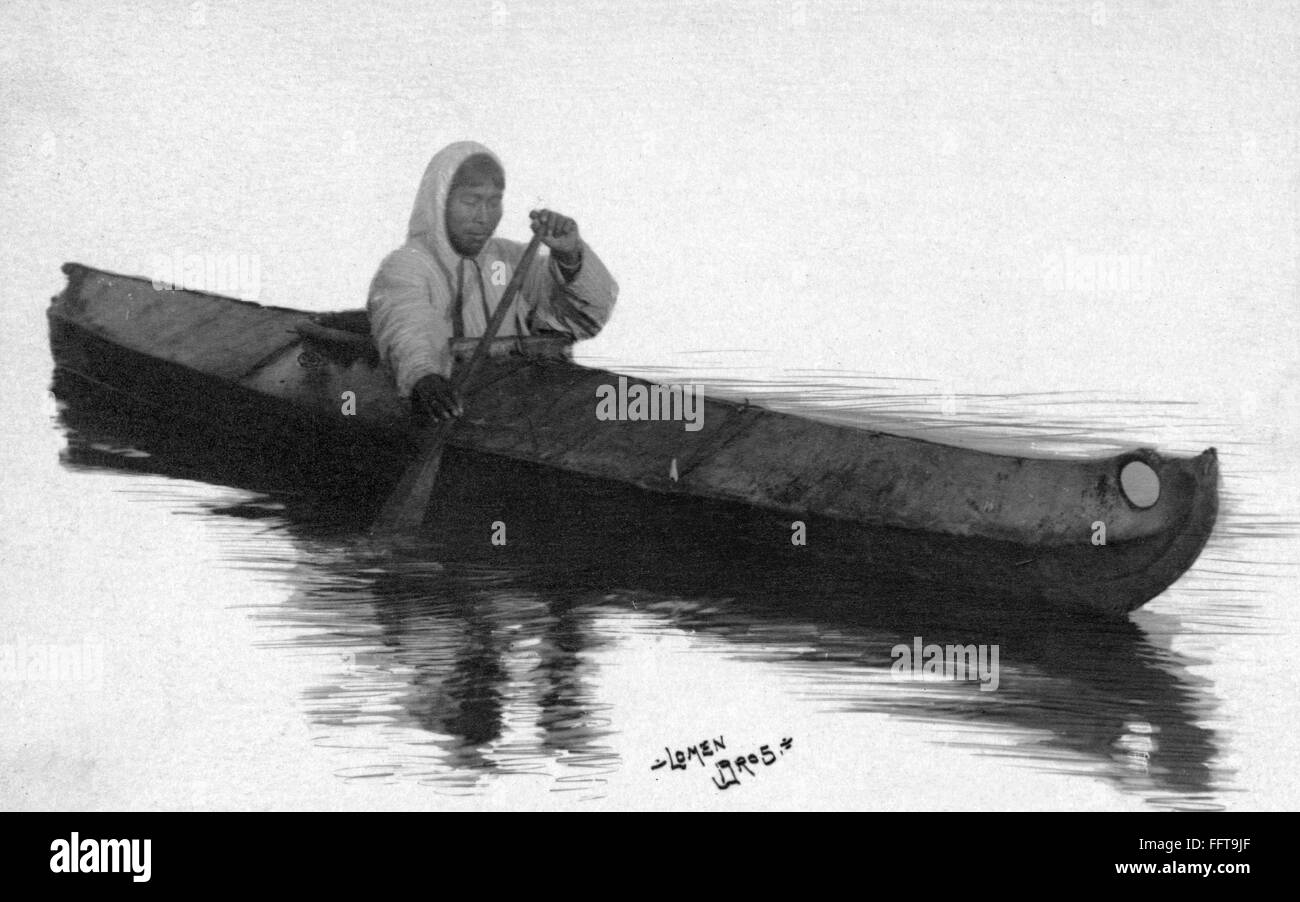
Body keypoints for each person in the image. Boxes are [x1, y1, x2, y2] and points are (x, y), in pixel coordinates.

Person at [367, 141, 618, 421]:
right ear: (440, 202)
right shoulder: (407, 266)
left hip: (523, 413)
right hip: (455, 413)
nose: (483, 217)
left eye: (493, 201)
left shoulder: (511, 260)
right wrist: (423, 374)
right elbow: (406, 321)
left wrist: (569, 256)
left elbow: (584, 318)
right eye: (470, 202)